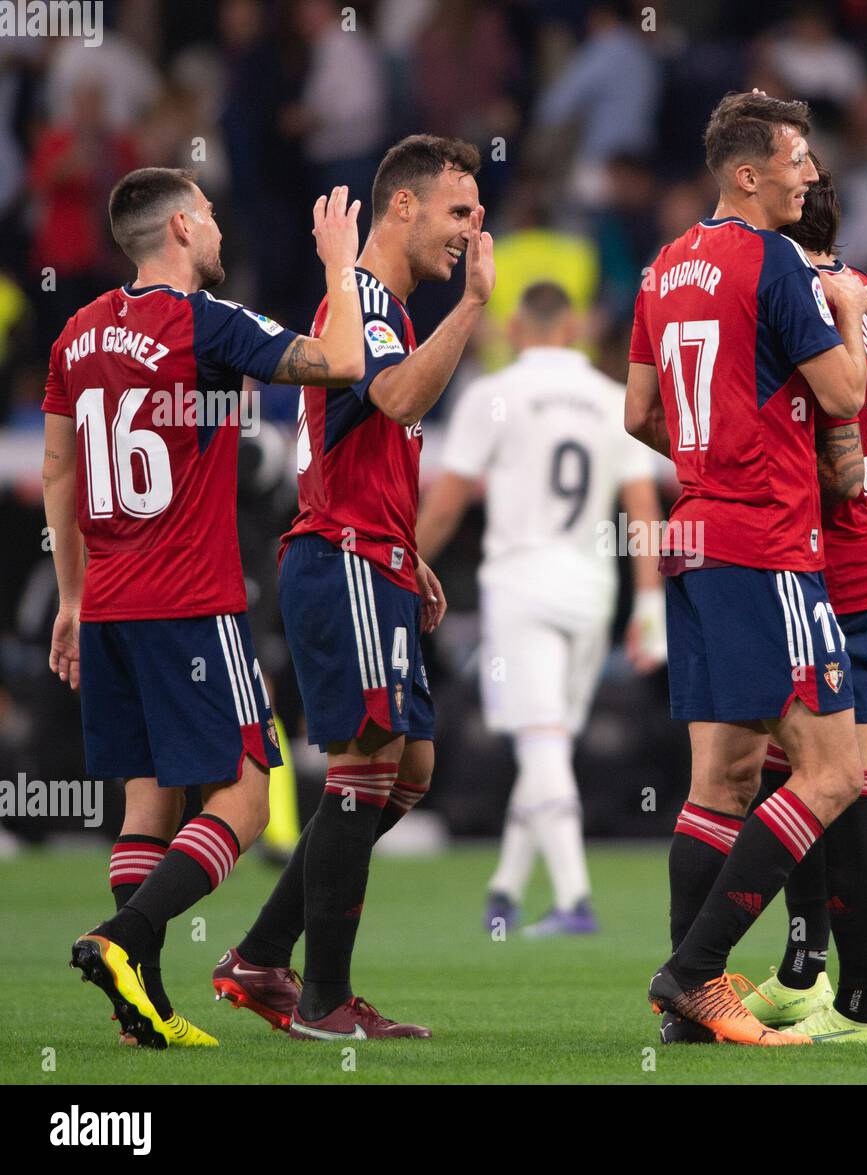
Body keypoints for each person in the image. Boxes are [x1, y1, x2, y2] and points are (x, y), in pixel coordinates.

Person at [47, 167, 364, 1049]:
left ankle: (138, 1009)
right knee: (248, 797)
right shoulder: (204, 324)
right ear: (183, 228)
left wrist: (71, 599)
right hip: (189, 602)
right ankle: (124, 937)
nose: (221, 229)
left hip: (106, 605)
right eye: (213, 216)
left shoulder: (74, 334)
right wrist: (339, 266)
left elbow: (59, 472)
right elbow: (342, 363)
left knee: (147, 799)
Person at [213, 134, 495, 1042]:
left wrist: (411, 550)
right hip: (342, 558)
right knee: (367, 768)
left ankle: (260, 954)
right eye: (458, 211)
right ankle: (326, 1002)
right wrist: (475, 308)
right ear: (402, 207)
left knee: (407, 772)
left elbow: (361, 444)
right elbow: (402, 401)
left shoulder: (378, 309)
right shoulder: (369, 303)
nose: (471, 229)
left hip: (372, 553)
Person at [624, 91, 867, 1045]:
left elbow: (641, 412)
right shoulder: (771, 260)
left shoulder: (664, 266)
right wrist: (846, 311)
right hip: (767, 544)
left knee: (721, 782)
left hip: (693, 538)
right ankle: (691, 972)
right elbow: (844, 390)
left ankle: (691, 1012)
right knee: (836, 773)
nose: (810, 173)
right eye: (798, 157)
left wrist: (709, 450)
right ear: (748, 173)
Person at [416, 281, 666, 936]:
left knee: (540, 740)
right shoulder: (615, 399)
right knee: (547, 743)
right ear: (575, 329)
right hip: (592, 590)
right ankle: (504, 887)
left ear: (517, 329)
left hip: (523, 582)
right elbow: (642, 508)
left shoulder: (493, 395)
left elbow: (446, 500)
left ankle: (575, 899)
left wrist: (403, 559)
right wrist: (650, 602)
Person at [736, 161, 867, 1044]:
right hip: (859, 551)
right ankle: (804, 968)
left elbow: (838, 460)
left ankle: (863, 1005)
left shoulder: (805, 298)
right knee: (797, 773)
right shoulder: (864, 290)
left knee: (844, 782)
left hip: (836, 561)